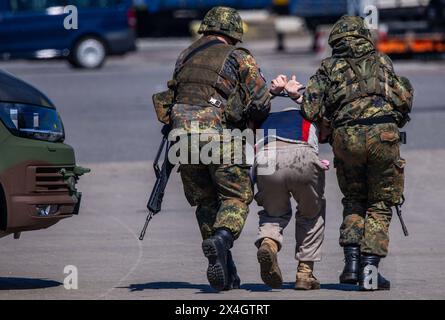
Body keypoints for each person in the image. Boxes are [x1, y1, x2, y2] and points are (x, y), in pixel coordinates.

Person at [300, 16, 414, 291]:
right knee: (379, 203)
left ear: (336, 42)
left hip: (346, 137)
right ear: (364, 37)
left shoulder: (328, 67)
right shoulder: (382, 61)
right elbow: (403, 99)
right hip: (383, 136)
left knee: (353, 199)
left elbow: (309, 110)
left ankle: (351, 266)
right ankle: (370, 272)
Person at [164, 6, 271, 291]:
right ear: (233, 33)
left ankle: (226, 270)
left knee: (206, 203)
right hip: (220, 137)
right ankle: (223, 237)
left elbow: (173, 97)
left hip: (182, 140)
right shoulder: (238, 57)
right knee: (236, 197)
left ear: (207, 28)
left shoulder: (185, 55)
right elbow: (261, 100)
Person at [253, 75, 329, 290]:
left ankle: (269, 243)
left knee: (273, 213)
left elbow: (245, 113)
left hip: (266, 156)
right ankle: (305, 273)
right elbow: (326, 121)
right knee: (311, 213)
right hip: (301, 154)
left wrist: (273, 93)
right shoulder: (307, 115)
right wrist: (297, 96)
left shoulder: (261, 118)